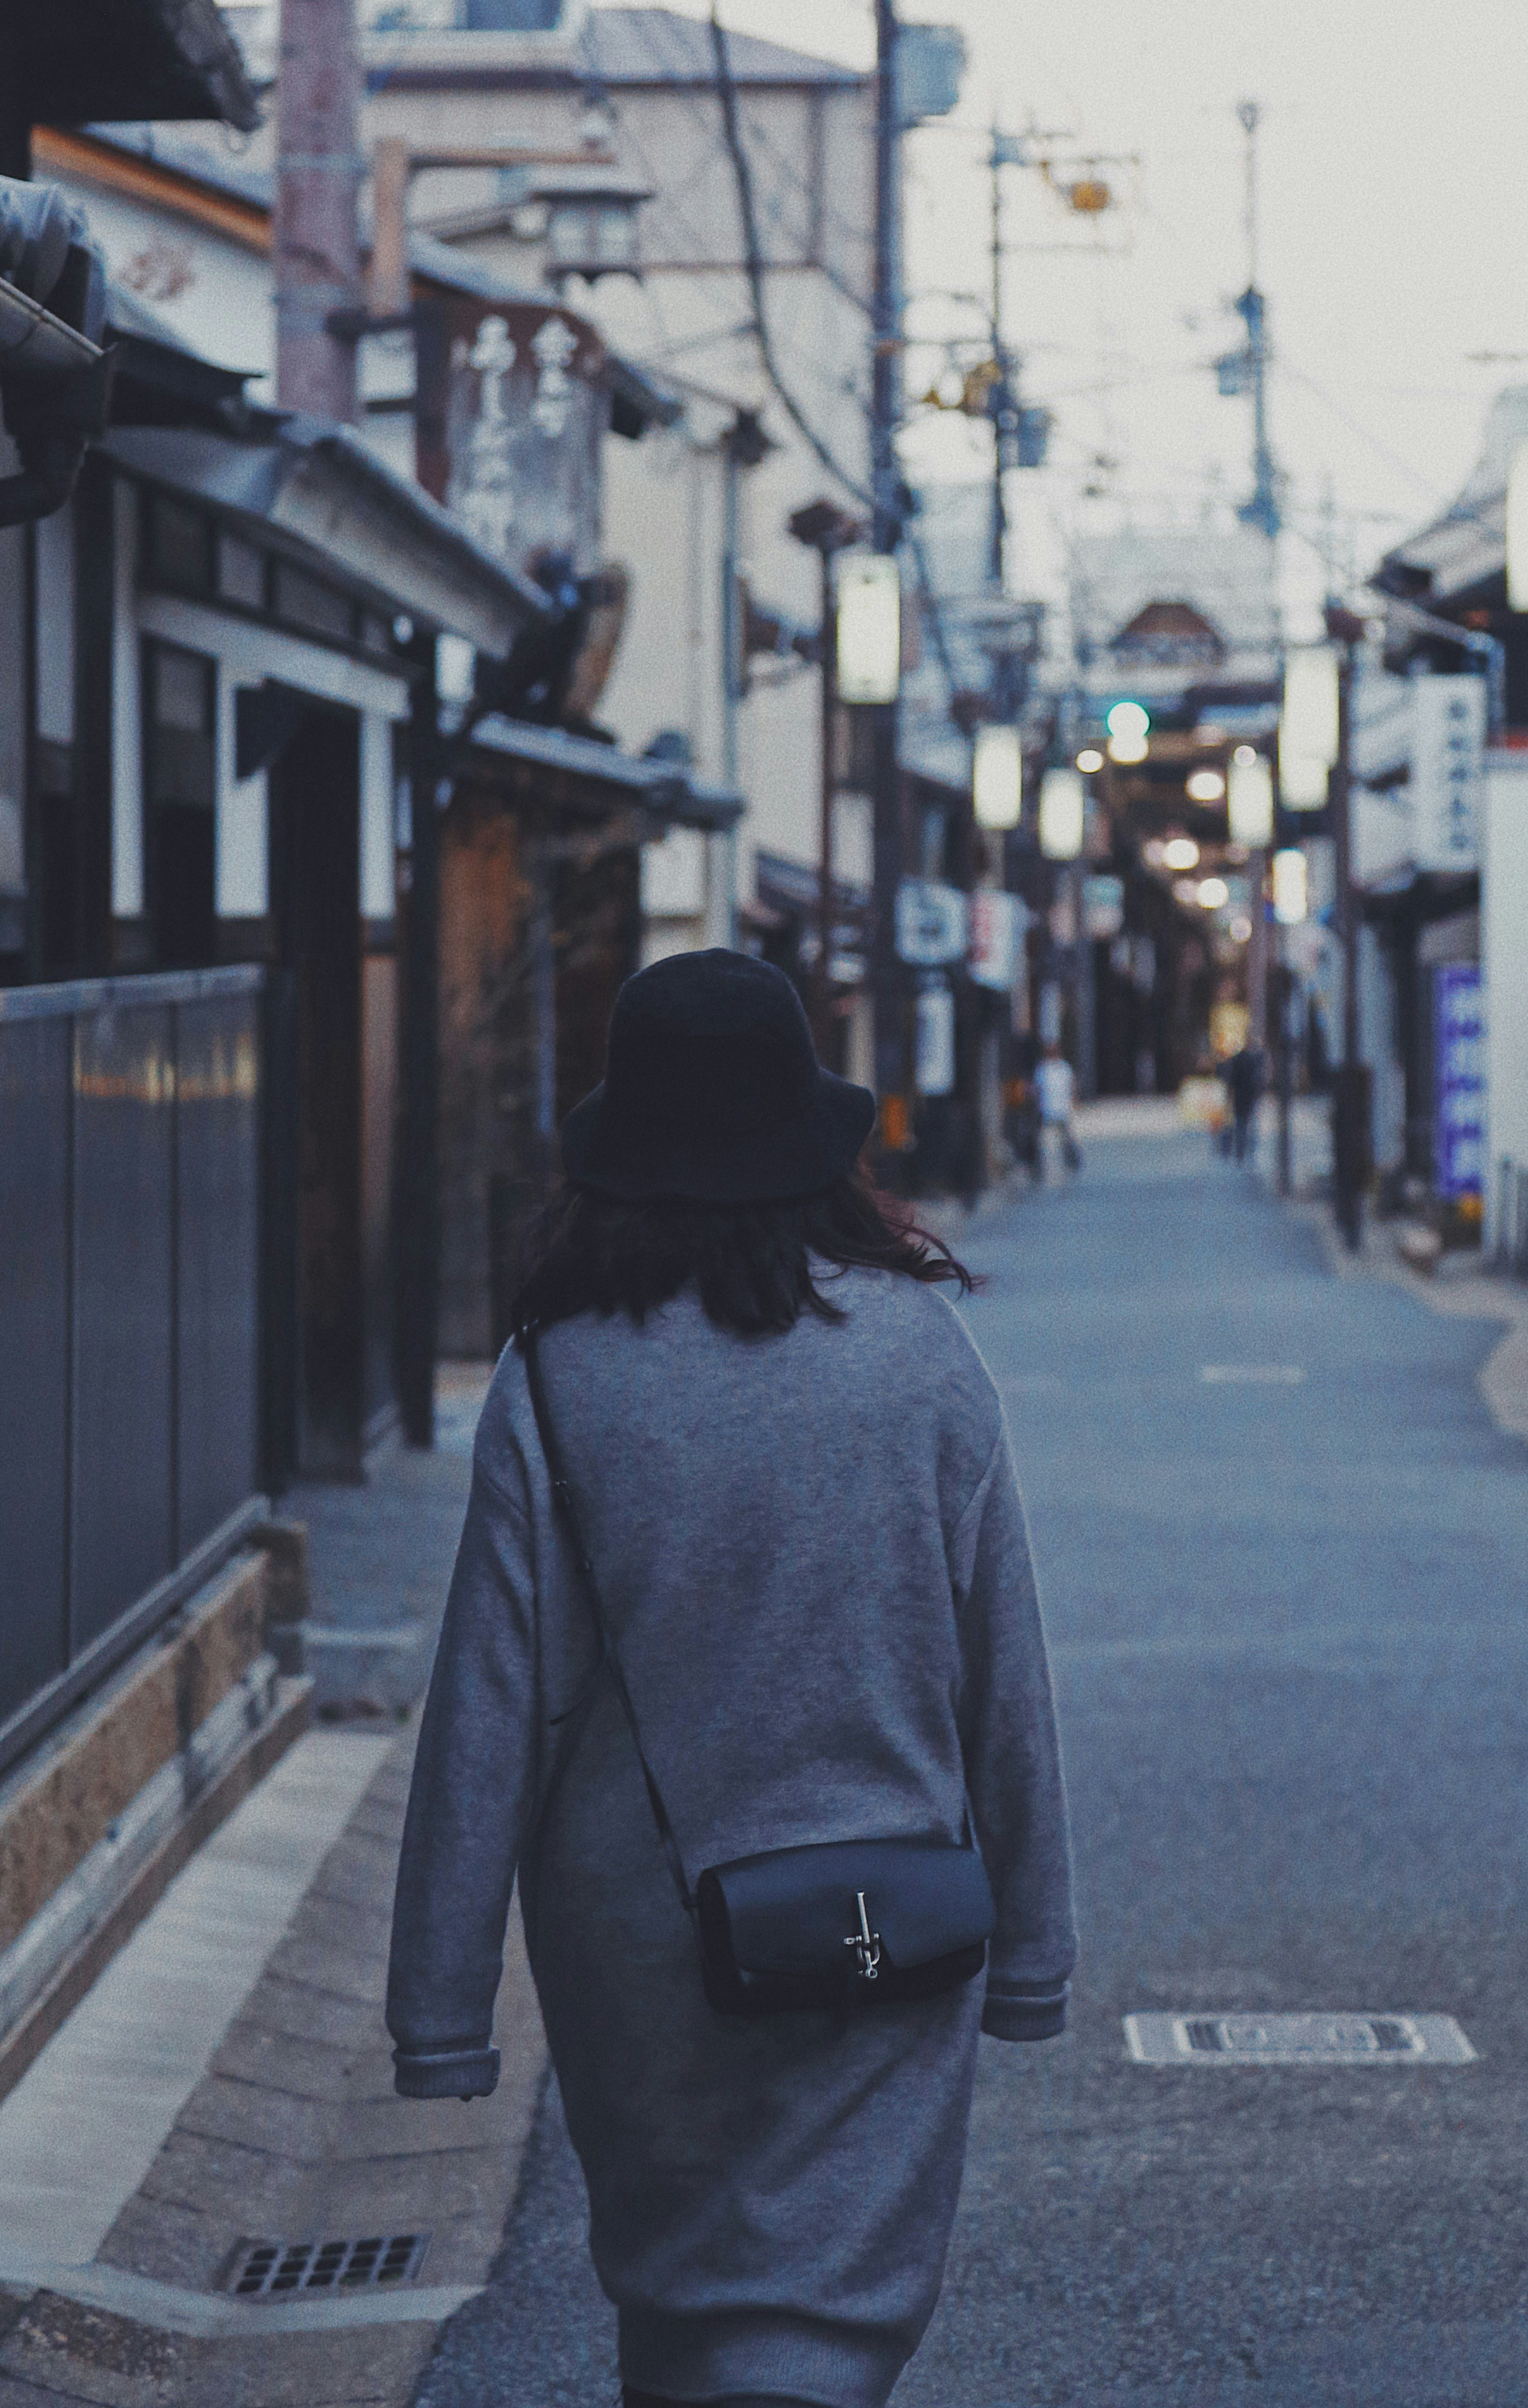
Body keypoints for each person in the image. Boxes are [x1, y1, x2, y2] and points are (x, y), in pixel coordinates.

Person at [387, 949, 1075, 2408]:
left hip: (644, 1940)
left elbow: (490, 1706)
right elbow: (1002, 1674)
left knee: (683, 2296)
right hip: (895, 1918)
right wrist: (1034, 1948)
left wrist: (442, 2006)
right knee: (837, 2308)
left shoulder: (559, 1374)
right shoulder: (922, 1357)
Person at [1033, 1042, 1081, 1177]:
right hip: (1056, 1109)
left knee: (1058, 1140)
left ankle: (1069, 1163)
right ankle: (1068, 1163)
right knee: (1060, 1140)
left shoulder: (1045, 1069)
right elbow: (1073, 1087)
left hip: (1052, 1109)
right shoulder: (1061, 1068)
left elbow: (1037, 1090)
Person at [1225, 1038, 1265, 1163]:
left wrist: (1230, 1094)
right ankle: (1248, 1151)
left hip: (1239, 1097)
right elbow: (1255, 1080)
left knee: (1240, 1125)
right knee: (1248, 1125)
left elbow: (1232, 1080)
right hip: (1249, 1097)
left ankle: (1240, 1151)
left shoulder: (1237, 1060)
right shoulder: (1253, 1060)